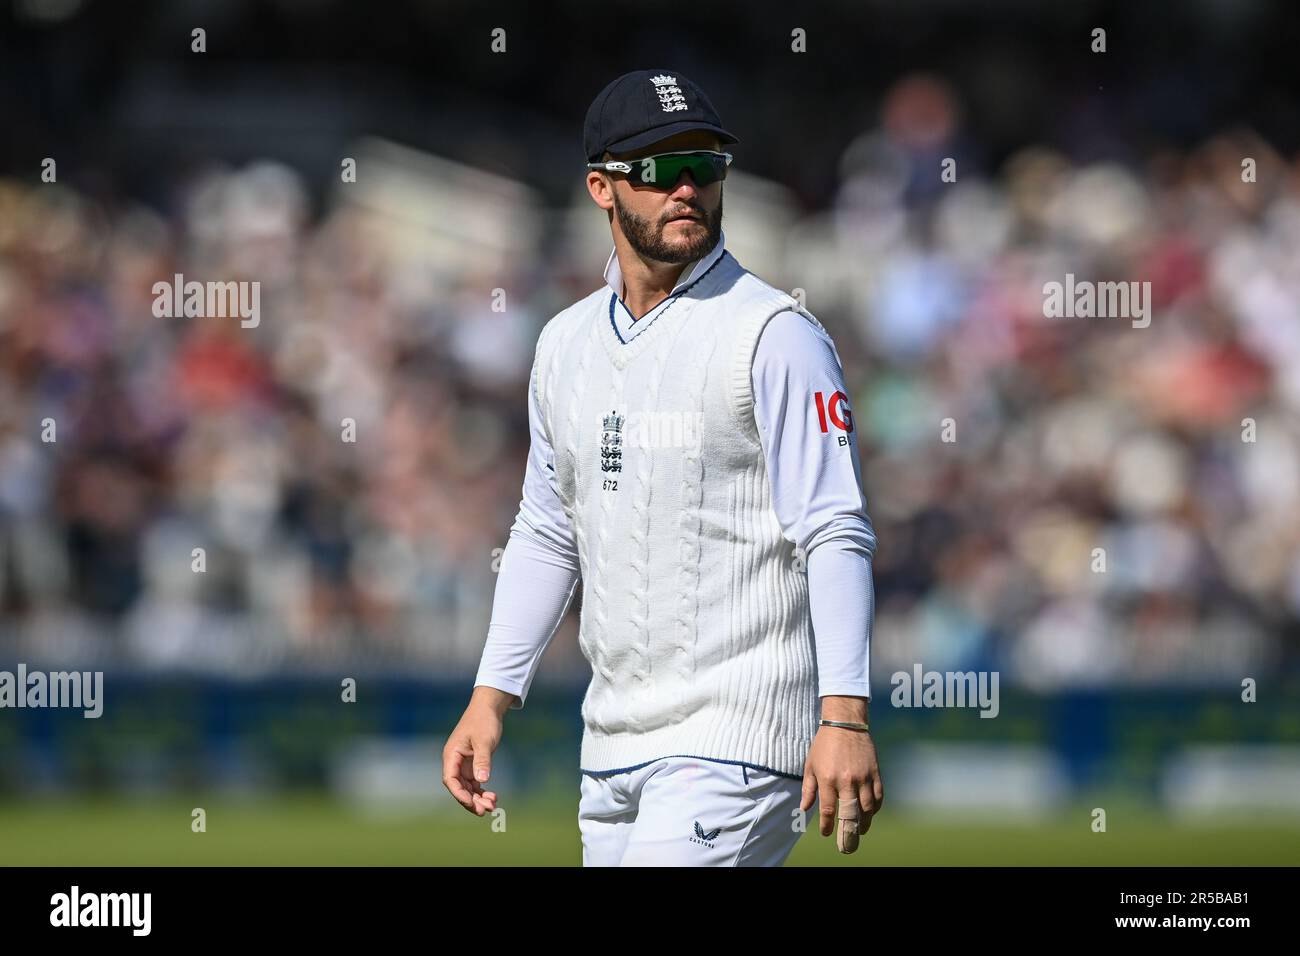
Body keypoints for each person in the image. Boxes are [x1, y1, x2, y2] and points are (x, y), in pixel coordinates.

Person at [443, 68, 883, 866]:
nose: (687, 188)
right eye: (657, 169)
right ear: (602, 188)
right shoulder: (565, 344)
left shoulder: (774, 333)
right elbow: (547, 533)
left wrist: (844, 715)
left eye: (705, 166)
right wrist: (491, 697)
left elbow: (834, 527)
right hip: (611, 742)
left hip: (736, 737)